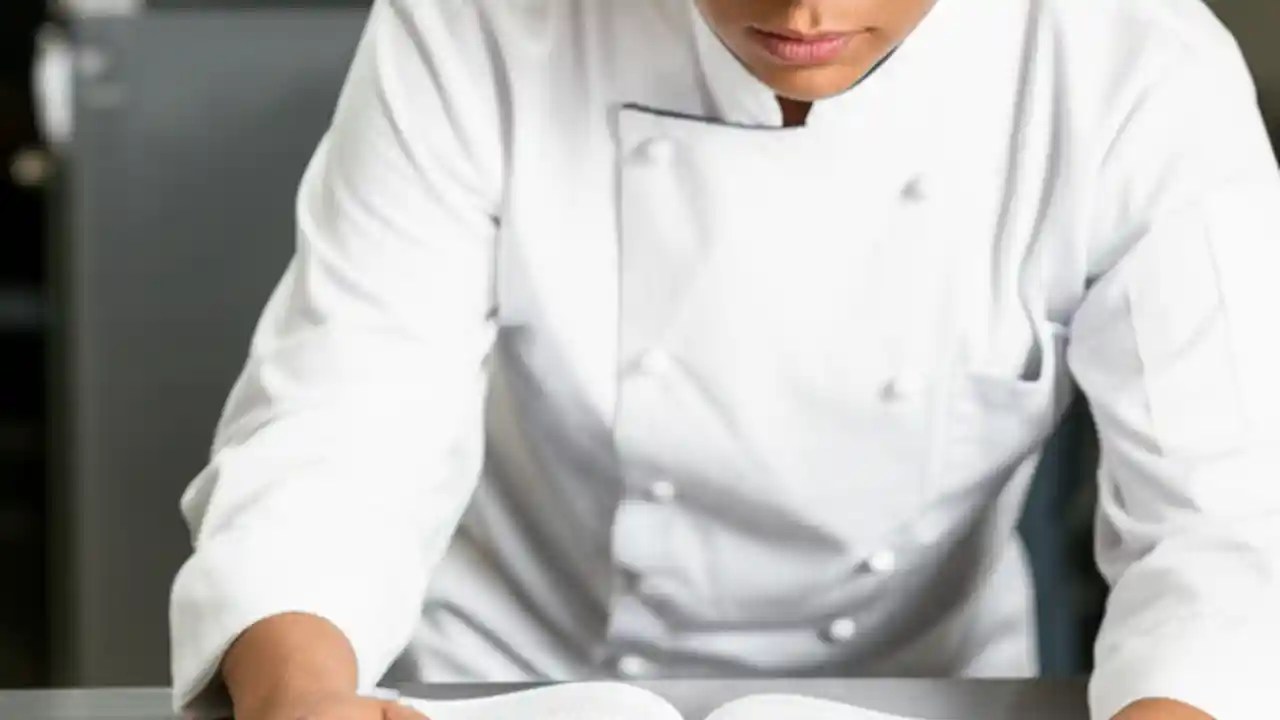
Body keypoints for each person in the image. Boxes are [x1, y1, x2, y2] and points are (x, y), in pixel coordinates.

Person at [169, 0, 1280, 718]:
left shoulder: (1136, 65)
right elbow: (353, 404)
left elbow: (1228, 509)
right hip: (514, 677)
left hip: (925, 692)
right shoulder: (481, 23)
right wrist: (299, 693)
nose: (802, 10)